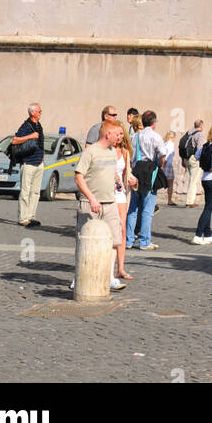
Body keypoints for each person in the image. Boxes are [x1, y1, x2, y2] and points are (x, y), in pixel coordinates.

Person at [74, 121, 128, 291]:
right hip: (90, 204)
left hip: (110, 203)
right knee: (84, 241)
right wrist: (91, 198)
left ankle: (110, 277)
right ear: (107, 135)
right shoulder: (90, 152)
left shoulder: (112, 152)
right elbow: (79, 177)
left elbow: (110, 170)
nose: (119, 138)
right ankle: (79, 277)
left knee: (114, 240)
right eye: (116, 134)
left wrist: (117, 180)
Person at [126, 110, 166, 251]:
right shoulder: (156, 137)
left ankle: (129, 240)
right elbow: (162, 155)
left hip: (136, 170)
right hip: (149, 171)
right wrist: (159, 165)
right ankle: (144, 241)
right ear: (154, 123)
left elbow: (130, 155)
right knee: (148, 209)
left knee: (133, 208)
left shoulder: (135, 136)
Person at [11, 102, 45, 228]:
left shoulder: (39, 125)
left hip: (38, 162)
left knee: (36, 192)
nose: (41, 113)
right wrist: (31, 136)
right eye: (39, 111)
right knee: (25, 191)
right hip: (28, 162)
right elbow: (14, 140)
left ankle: (31, 216)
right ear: (32, 113)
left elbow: (41, 143)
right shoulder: (26, 126)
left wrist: (42, 157)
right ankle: (23, 218)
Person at [112, 123, 136, 280]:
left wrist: (132, 180)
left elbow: (127, 174)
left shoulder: (126, 153)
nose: (120, 137)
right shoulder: (105, 151)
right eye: (117, 134)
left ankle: (120, 268)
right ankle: (107, 267)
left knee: (121, 231)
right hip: (106, 193)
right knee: (109, 232)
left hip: (120, 194)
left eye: (122, 134)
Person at [182, 119, 206, 206]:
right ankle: (189, 201)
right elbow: (200, 148)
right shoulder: (200, 134)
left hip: (186, 158)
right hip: (194, 158)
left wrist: (183, 159)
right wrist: (197, 158)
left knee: (191, 179)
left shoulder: (189, 133)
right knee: (193, 180)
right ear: (201, 126)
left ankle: (190, 200)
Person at [162, 130, 177, 206]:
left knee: (161, 181)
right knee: (170, 183)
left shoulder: (164, 143)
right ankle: (169, 200)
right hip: (168, 163)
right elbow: (167, 154)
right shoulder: (171, 144)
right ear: (172, 137)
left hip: (163, 163)